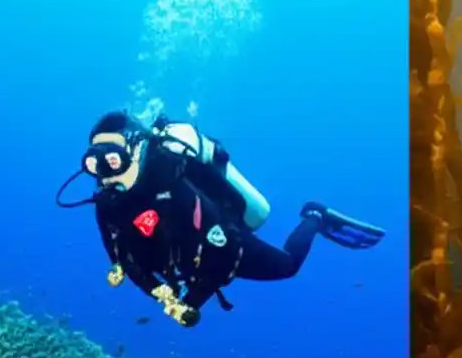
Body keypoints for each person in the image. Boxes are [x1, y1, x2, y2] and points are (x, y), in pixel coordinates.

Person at [56, 111, 384, 327]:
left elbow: (223, 251)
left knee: (287, 267)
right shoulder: (108, 204)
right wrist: (162, 295)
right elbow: (123, 260)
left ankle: (314, 216)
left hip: (226, 239)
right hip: (184, 263)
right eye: (95, 166)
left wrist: (192, 301)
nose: (106, 176)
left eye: (112, 161)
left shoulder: (172, 184)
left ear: (136, 151)